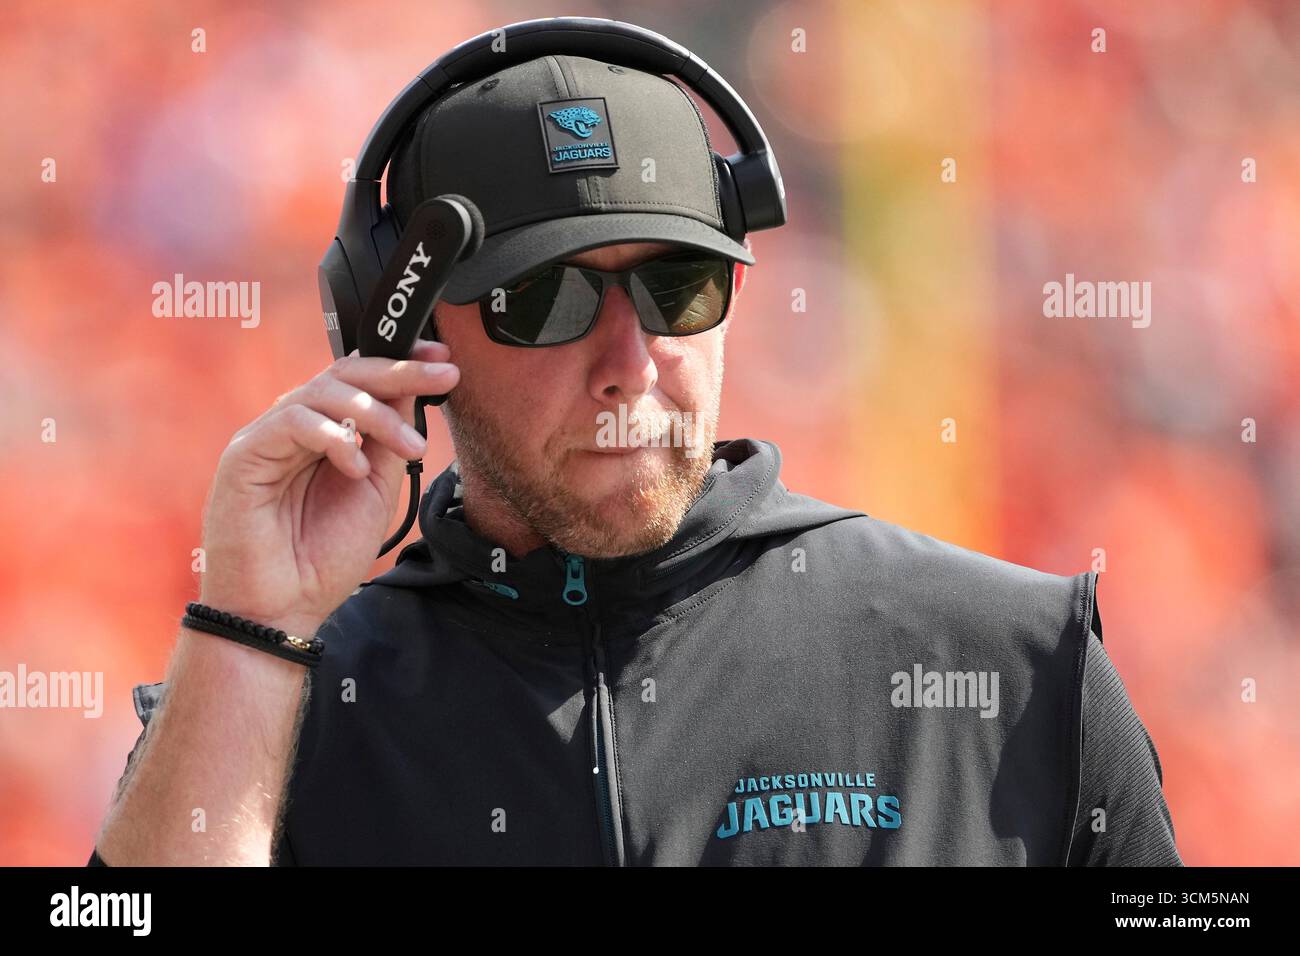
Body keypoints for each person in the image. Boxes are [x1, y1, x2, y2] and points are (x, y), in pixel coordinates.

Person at [89, 51, 1180, 866]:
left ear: (735, 297)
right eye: (544, 298)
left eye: (675, 287)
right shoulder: (273, 705)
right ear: (405, 341)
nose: (629, 361)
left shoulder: (1021, 661)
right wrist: (250, 625)